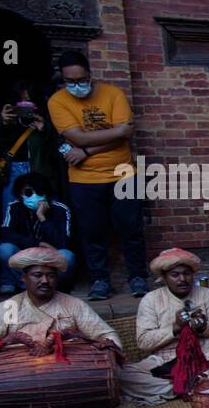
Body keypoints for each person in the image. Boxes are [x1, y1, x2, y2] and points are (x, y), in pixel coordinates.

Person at [46, 49, 145, 300]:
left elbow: (126, 133)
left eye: (81, 79)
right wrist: (114, 133)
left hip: (123, 174)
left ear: (90, 75)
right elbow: (76, 137)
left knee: (131, 229)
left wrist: (86, 149)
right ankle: (100, 280)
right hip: (84, 180)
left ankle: (138, 277)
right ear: (63, 79)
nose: (77, 85)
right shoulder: (57, 101)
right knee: (92, 233)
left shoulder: (113, 94)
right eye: (71, 81)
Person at [121, 248, 209, 405]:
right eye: (175, 275)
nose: (182, 279)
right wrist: (175, 328)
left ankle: (207, 380)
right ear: (164, 277)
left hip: (208, 358)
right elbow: (143, 342)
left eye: (186, 274)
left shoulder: (206, 294)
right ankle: (192, 386)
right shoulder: (151, 299)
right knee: (122, 375)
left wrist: (203, 327)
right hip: (166, 361)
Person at [0, 247, 121, 360]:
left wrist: (112, 349)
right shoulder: (11, 307)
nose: (44, 281)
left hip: (67, 371)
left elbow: (105, 334)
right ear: (24, 278)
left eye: (50, 276)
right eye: (37, 275)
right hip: (18, 372)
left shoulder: (73, 305)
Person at [0, 173, 75, 294]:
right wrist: (38, 244)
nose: (33, 196)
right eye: (28, 193)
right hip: (26, 256)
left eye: (38, 192)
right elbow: (6, 234)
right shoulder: (15, 208)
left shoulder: (60, 209)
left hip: (51, 257)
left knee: (67, 256)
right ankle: (26, 285)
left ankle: (52, 287)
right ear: (20, 194)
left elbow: (63, 242)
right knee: (5, 249)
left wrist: (42, 218)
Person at [0, 81, 62, 215]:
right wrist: (4, 124)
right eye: (21, 101)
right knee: (12, 212)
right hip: (14, 171)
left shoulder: (47, 119)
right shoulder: (8, 119)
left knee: (42, 212)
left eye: (29, 101)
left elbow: (54, 151)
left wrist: (43, 130)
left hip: (39, 171)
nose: (25, 106)